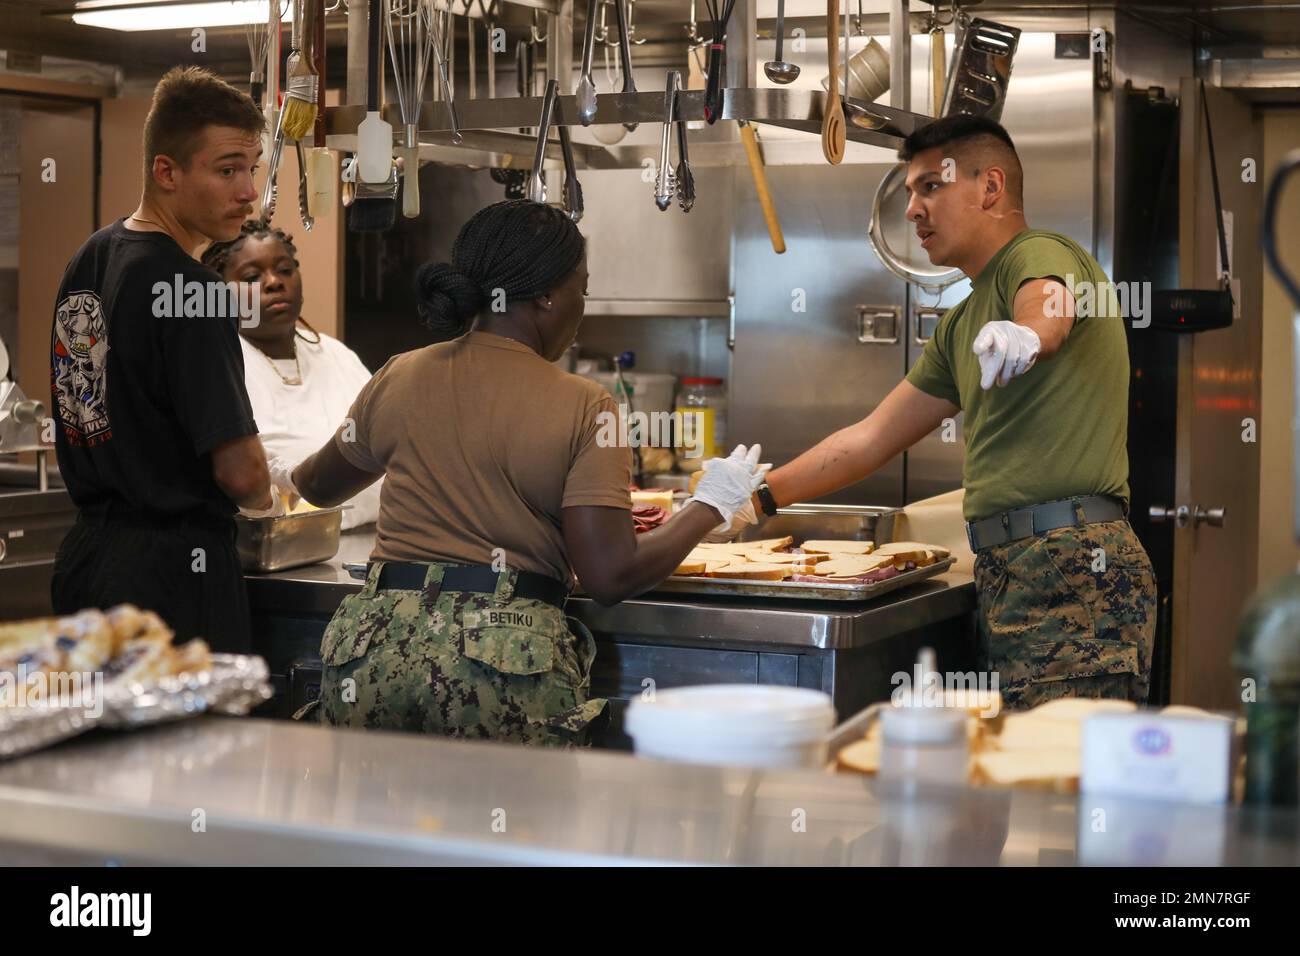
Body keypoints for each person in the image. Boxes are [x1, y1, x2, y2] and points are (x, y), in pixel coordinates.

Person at [280, 200, 766, 745]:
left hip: (372, 655)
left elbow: (316, 487)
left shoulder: (400, 374)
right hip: (501, 665)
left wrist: (282, 466)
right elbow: (609, 575)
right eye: (582, 287)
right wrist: (709, 507)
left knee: (372, 823)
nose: (582, 306)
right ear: (546, 295)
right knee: (508, 826)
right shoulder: (587, 405)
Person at [734, 114, 1156, 711]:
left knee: (1060, 785)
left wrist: (1030, 335)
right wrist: (755, 498)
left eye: (931, 185)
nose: (912, 209)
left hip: (1073, 565)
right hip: (1011, 571)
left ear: (990, 188)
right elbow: (871, 438)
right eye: (909, 192)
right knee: (1017, 778)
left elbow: (1050, 306)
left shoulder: (1040, 253)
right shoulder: (963, 320)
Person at [49, 66, 286, 653]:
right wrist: (271, 506)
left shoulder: (92, 256)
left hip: (87, 562)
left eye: (251, 169)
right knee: (193, 746)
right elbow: (242, 472)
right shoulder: (191, 288)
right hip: (174, 574)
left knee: (103, 743)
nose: (248, 191)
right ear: (166, 172)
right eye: (227, 169)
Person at [201, 221, 381, 529]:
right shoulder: (217, 363)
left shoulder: (334, 352)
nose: (274, 282)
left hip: (373, 539)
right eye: (251, 277)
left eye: (285, 269)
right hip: (285, 552)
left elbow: (386, 437)